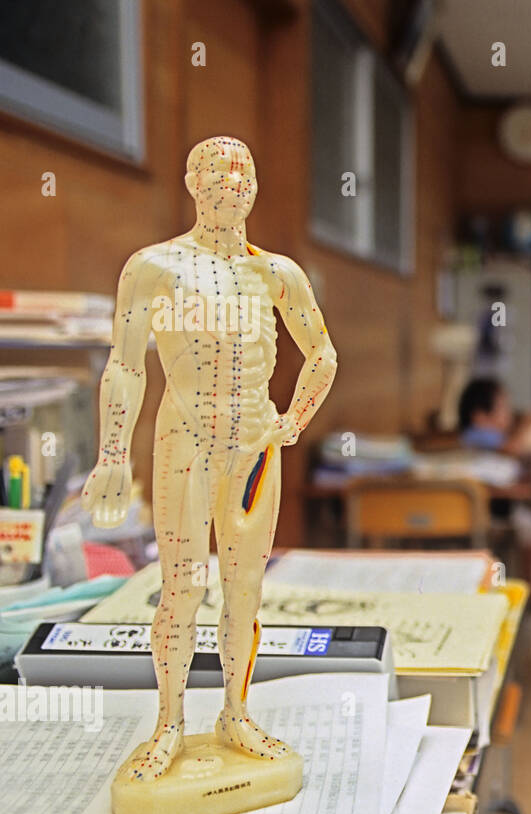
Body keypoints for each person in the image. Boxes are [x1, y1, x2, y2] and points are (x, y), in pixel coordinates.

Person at [81, 136, 338, 779]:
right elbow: (125, 363)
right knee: (184, 585)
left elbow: (323, 355)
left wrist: (291, 424)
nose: (234, 179)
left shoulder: (276, 272)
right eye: (219, 169)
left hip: (255, 441)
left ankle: (235, 713)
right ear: (192, 182)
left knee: (245, 589)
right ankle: (170, 724)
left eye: (246, 168)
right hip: (186, 438)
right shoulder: (156, 267)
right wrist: (112, 451)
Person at [457, 377, 531, 594]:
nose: (509, 413)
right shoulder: (479, 436)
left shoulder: (481, 435)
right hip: (485, 512)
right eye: (503, 408)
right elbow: (515, 449)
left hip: (488, 509)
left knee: (529, 524)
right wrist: (527, 423)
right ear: (480, 416)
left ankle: (527, 585)